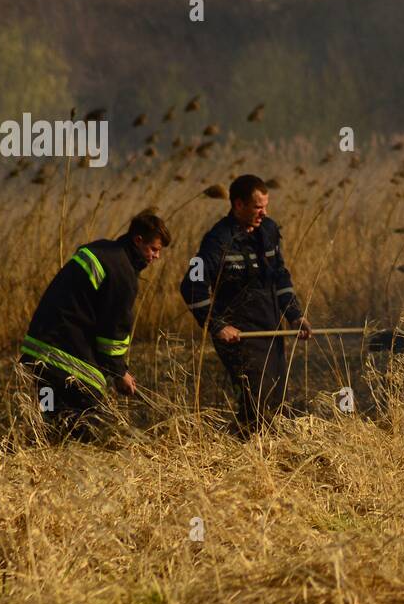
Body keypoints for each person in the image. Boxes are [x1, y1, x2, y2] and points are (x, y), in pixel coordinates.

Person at [20, 208, 171, 439]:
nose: (156, 256)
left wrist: (119, 369)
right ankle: (72, 461)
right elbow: (114, 331)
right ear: (138, 240)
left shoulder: (102, 249)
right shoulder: (123, 274)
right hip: (63, 353)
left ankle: (46, 457)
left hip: (37, 346)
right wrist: (120, 373)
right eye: (154, 249)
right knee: (88, 415)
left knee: (50, 417)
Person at [180, 175, 312, 432]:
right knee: (257, 402)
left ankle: (267, 455)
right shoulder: (217, 241)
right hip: (238, 334)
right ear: (238, 205)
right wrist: (217, 326)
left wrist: (295, 315)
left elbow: (280, 276)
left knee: (276, 400)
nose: (264, 212)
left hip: (271, 328)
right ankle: (242, 455)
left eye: (266, 206)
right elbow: (191, 286)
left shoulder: (269, 230)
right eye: (258, 207)